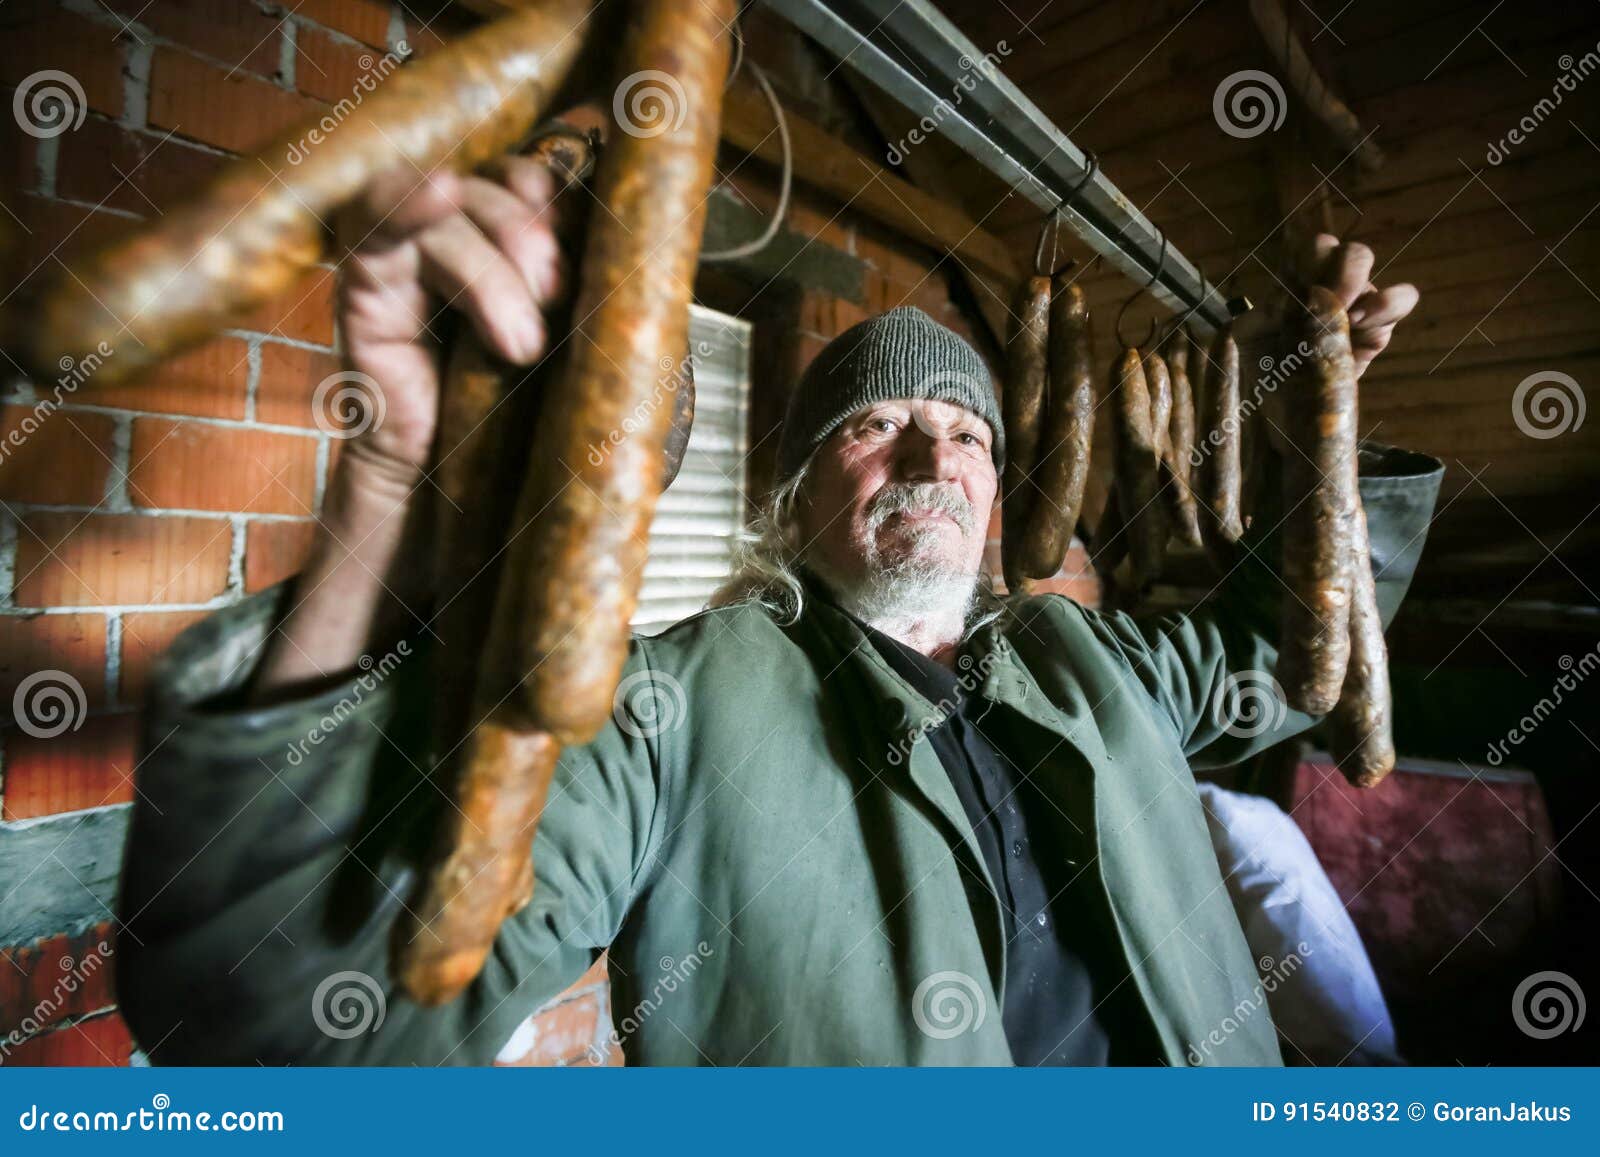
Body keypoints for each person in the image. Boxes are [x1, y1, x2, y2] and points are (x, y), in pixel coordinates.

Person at [114, 158, 1443, 1066]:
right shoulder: (670, 706)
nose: (933, 460)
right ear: (799, 498)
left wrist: (1324, 428)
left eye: (964, 434)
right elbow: (271, 1024)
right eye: (876, 426)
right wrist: (398, 488)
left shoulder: (1090, 658)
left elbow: (1309, 657)